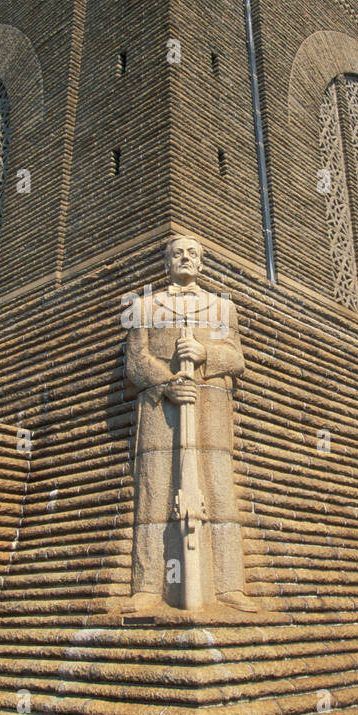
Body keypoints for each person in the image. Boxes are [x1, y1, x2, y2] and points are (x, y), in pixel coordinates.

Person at [123, 235, 251, 611]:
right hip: (160, 409)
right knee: (154, 489)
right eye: (177, 253)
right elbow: (135, 362)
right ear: (166, 263)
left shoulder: (222, 309)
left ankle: (229, 585)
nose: (185, 258)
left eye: (192, 254)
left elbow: (236, 358)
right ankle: (147, 587)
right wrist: (166, 382)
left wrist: (205, 352)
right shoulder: (144, 306)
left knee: (219, 488)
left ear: (201, 263)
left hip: (210, 406)